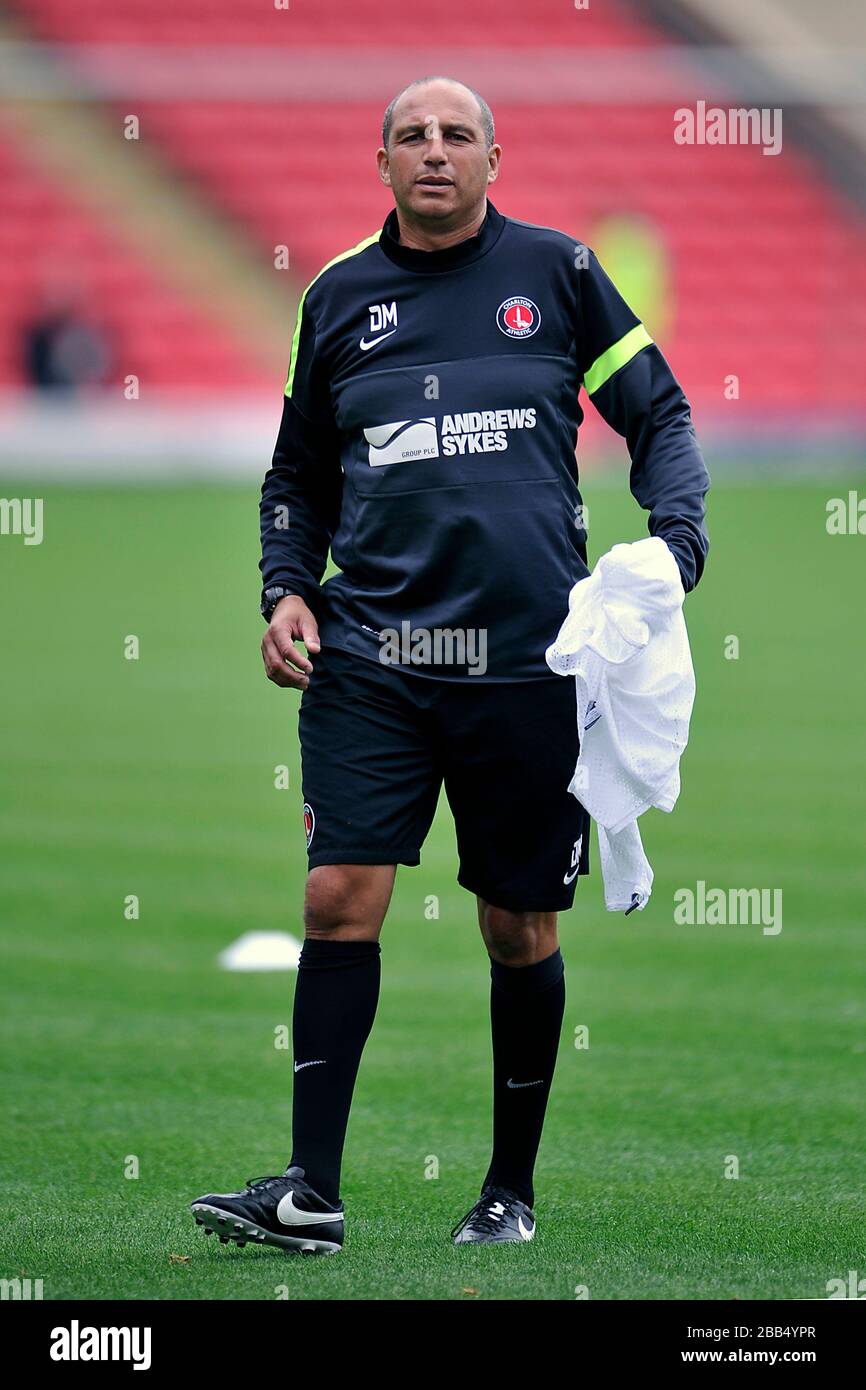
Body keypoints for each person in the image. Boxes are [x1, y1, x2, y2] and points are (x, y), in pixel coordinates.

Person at [191, 75, 709, 1254]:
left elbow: (662, 416)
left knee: (517, 927)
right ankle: (308, 1192)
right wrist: (282, 588)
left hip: (526, 659)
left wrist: (674, 537)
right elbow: (295, 478)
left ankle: (506, 1190)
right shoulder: (335, 298)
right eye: (412, 136)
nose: (435, 152)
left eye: (456, 135)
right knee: (337, 895)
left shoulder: (560, 274)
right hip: (374, 650)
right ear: (381, 162)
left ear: (492, 157)